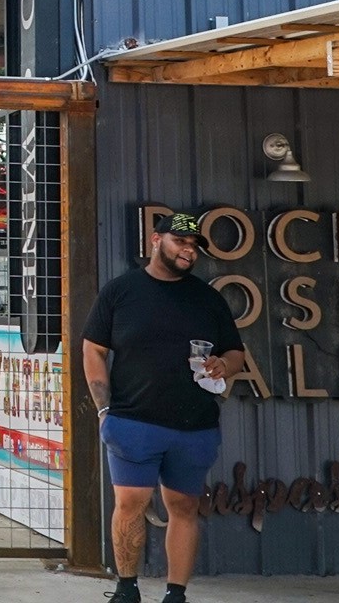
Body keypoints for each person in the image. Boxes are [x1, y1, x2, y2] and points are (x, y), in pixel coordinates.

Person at [81, 212, 246, 603]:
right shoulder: (121, 291)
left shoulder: (208, 298)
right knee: (130, 504)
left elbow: (236, 352)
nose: (188, 250)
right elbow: (93, 349)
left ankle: (176, 593)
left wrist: (225, 364)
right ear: (156, 241)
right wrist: (104, 410)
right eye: (180, 242)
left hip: (195, 425)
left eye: (194, 246)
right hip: (133, 421)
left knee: (184, 507)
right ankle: (126, 589)